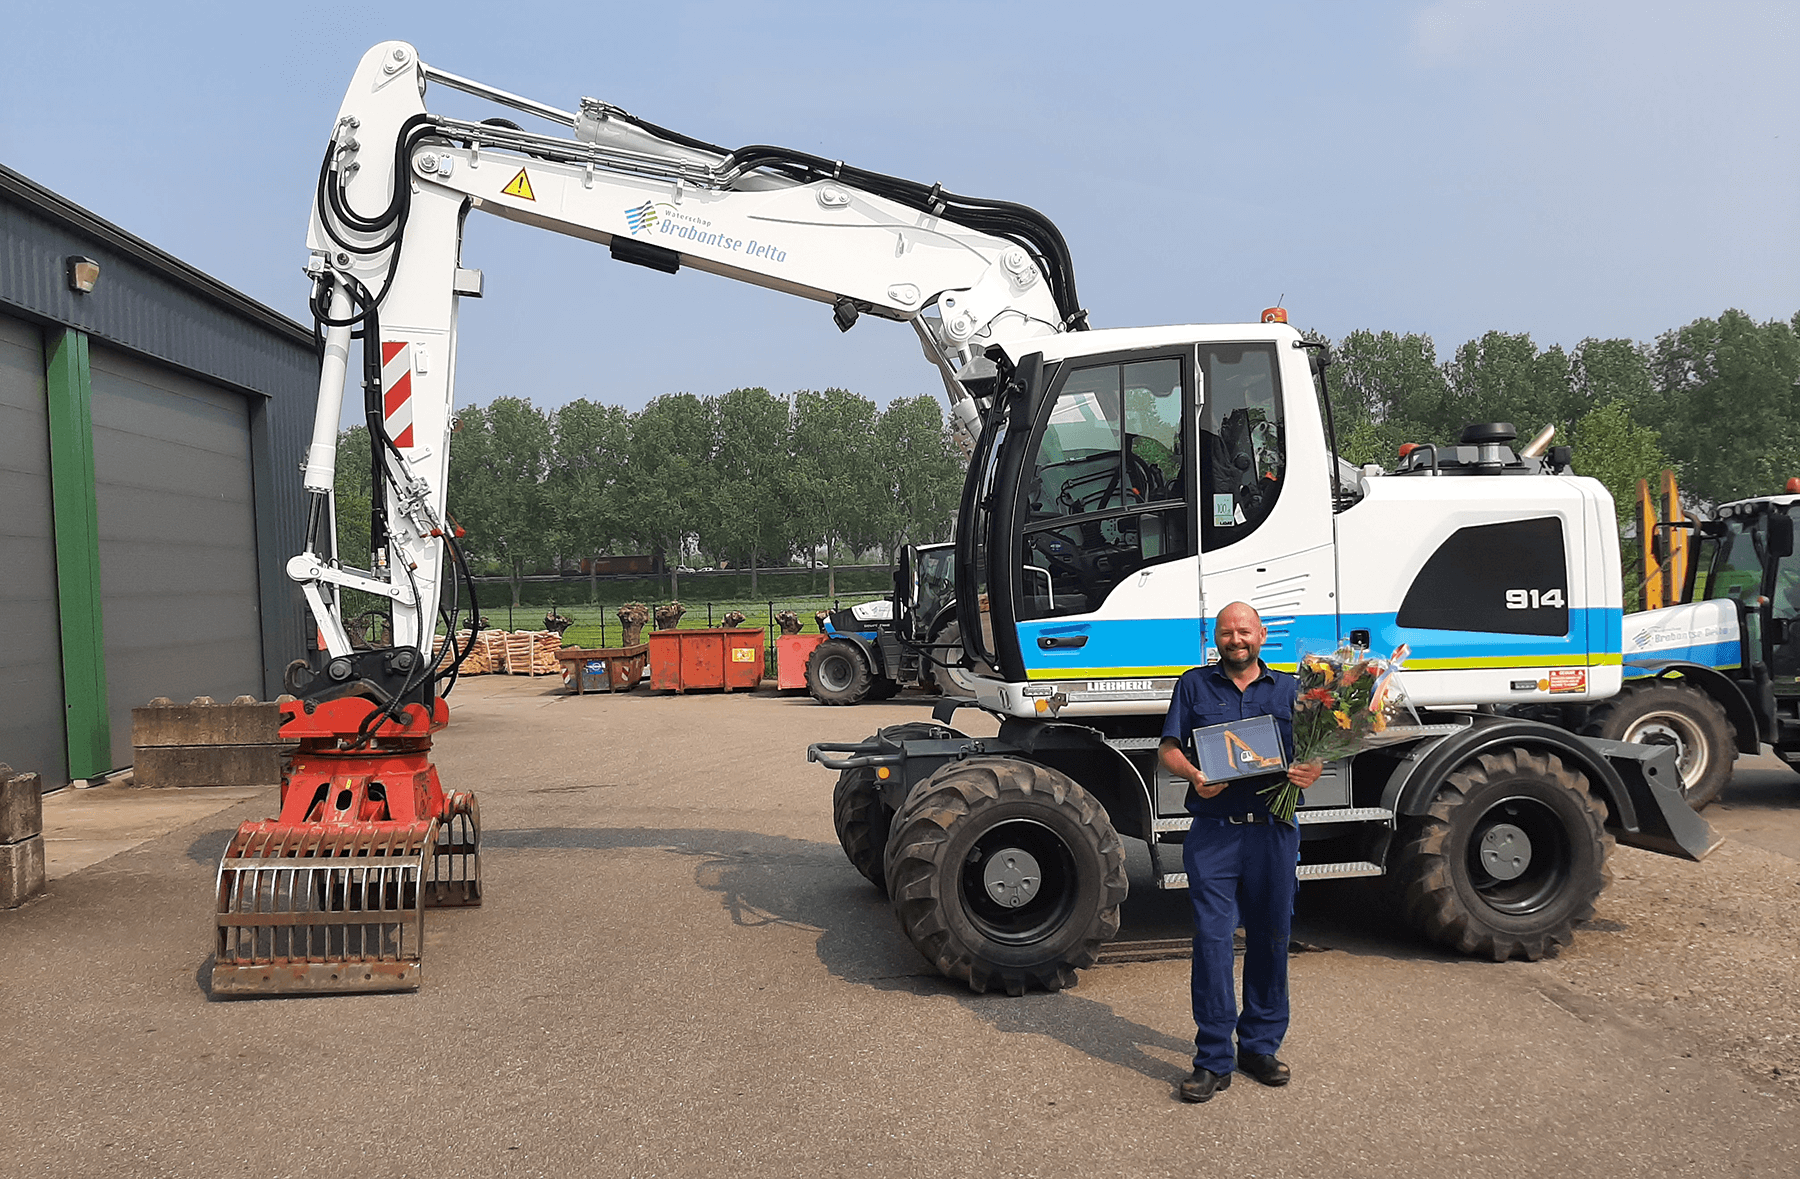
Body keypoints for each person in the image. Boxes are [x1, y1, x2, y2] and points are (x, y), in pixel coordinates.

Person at [1158, 601, 1322, 1104]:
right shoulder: (1193, 685)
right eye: (1227, 633)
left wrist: (1312, 769)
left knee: (1272, 939)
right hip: (1214, 833)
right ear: (1216, 637)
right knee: (1211, 941)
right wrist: (1192, 774)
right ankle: (1212, 1058)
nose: (1236, 640)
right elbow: (1167, 749)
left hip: (1273, 832)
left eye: (1244, 631)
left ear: (1262, 635)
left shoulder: (1293, 689)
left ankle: (1259, 1047)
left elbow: (1319, 747)